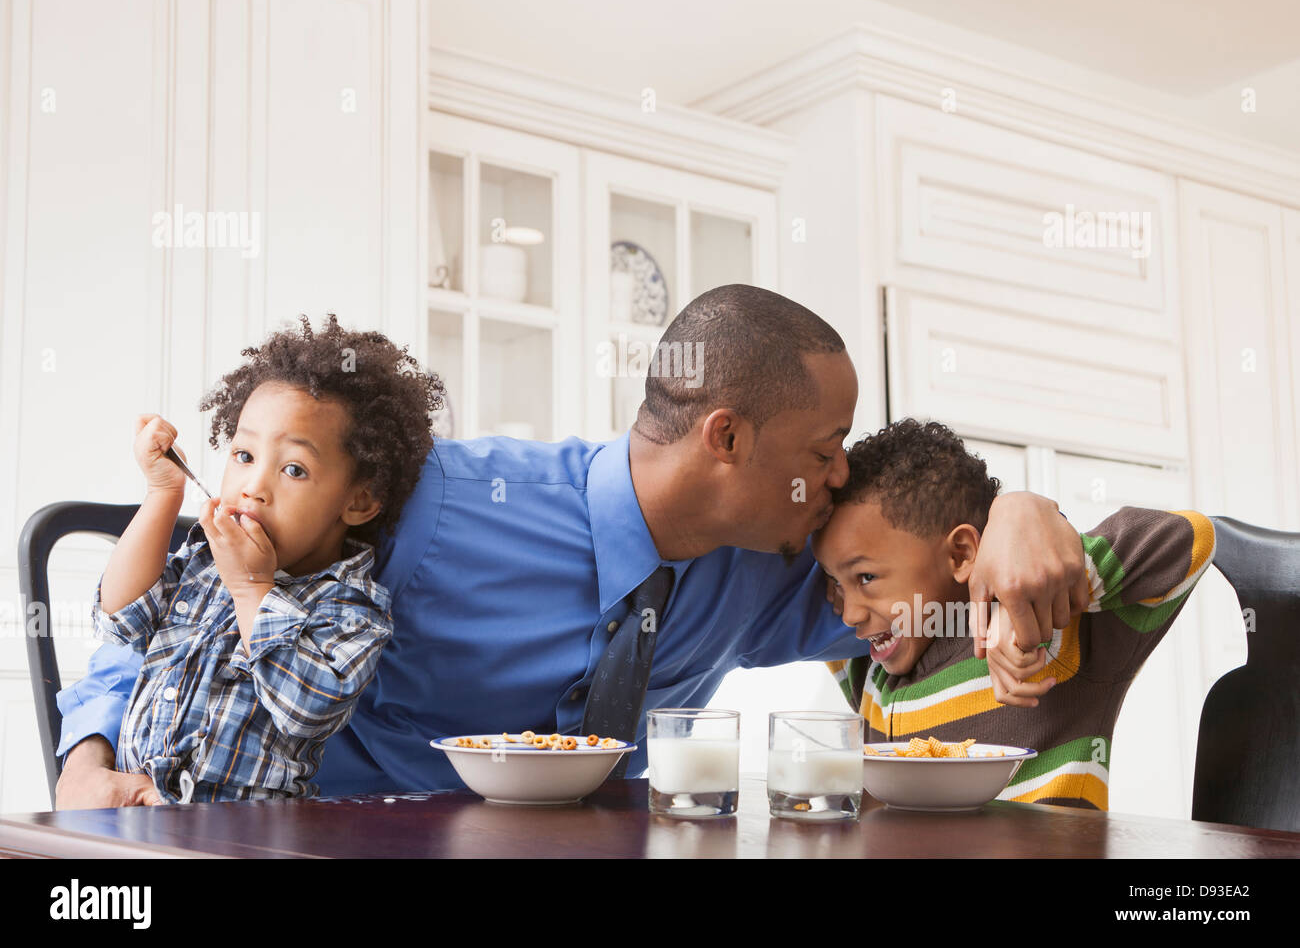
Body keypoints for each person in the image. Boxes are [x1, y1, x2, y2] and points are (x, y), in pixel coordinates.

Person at [55, 287, 1086, 807]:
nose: (840, 476)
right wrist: (88, 755)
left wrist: (1018, 511)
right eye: (822, 450)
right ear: (727, 439)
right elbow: (184, 612)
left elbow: (922, 575)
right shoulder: (433, 503)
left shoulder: (774, 568)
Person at [85, 315, 442, 802]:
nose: (254, 487)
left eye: (293, 469)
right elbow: (121, 617)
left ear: (357, 502)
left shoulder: (350, 606)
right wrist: (162, 494)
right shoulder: (204, 563)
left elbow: (308, 707)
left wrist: (252, 589)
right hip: (133, 821)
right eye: (244, 456)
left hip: (248, 839)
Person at [814, 418, 1215, 809]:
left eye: (865, 577)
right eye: (836, 583)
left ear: (961, 554)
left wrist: (1018, 593)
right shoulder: (870, 674)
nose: (849, 613)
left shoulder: (1048, 633)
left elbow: (1193, 538)